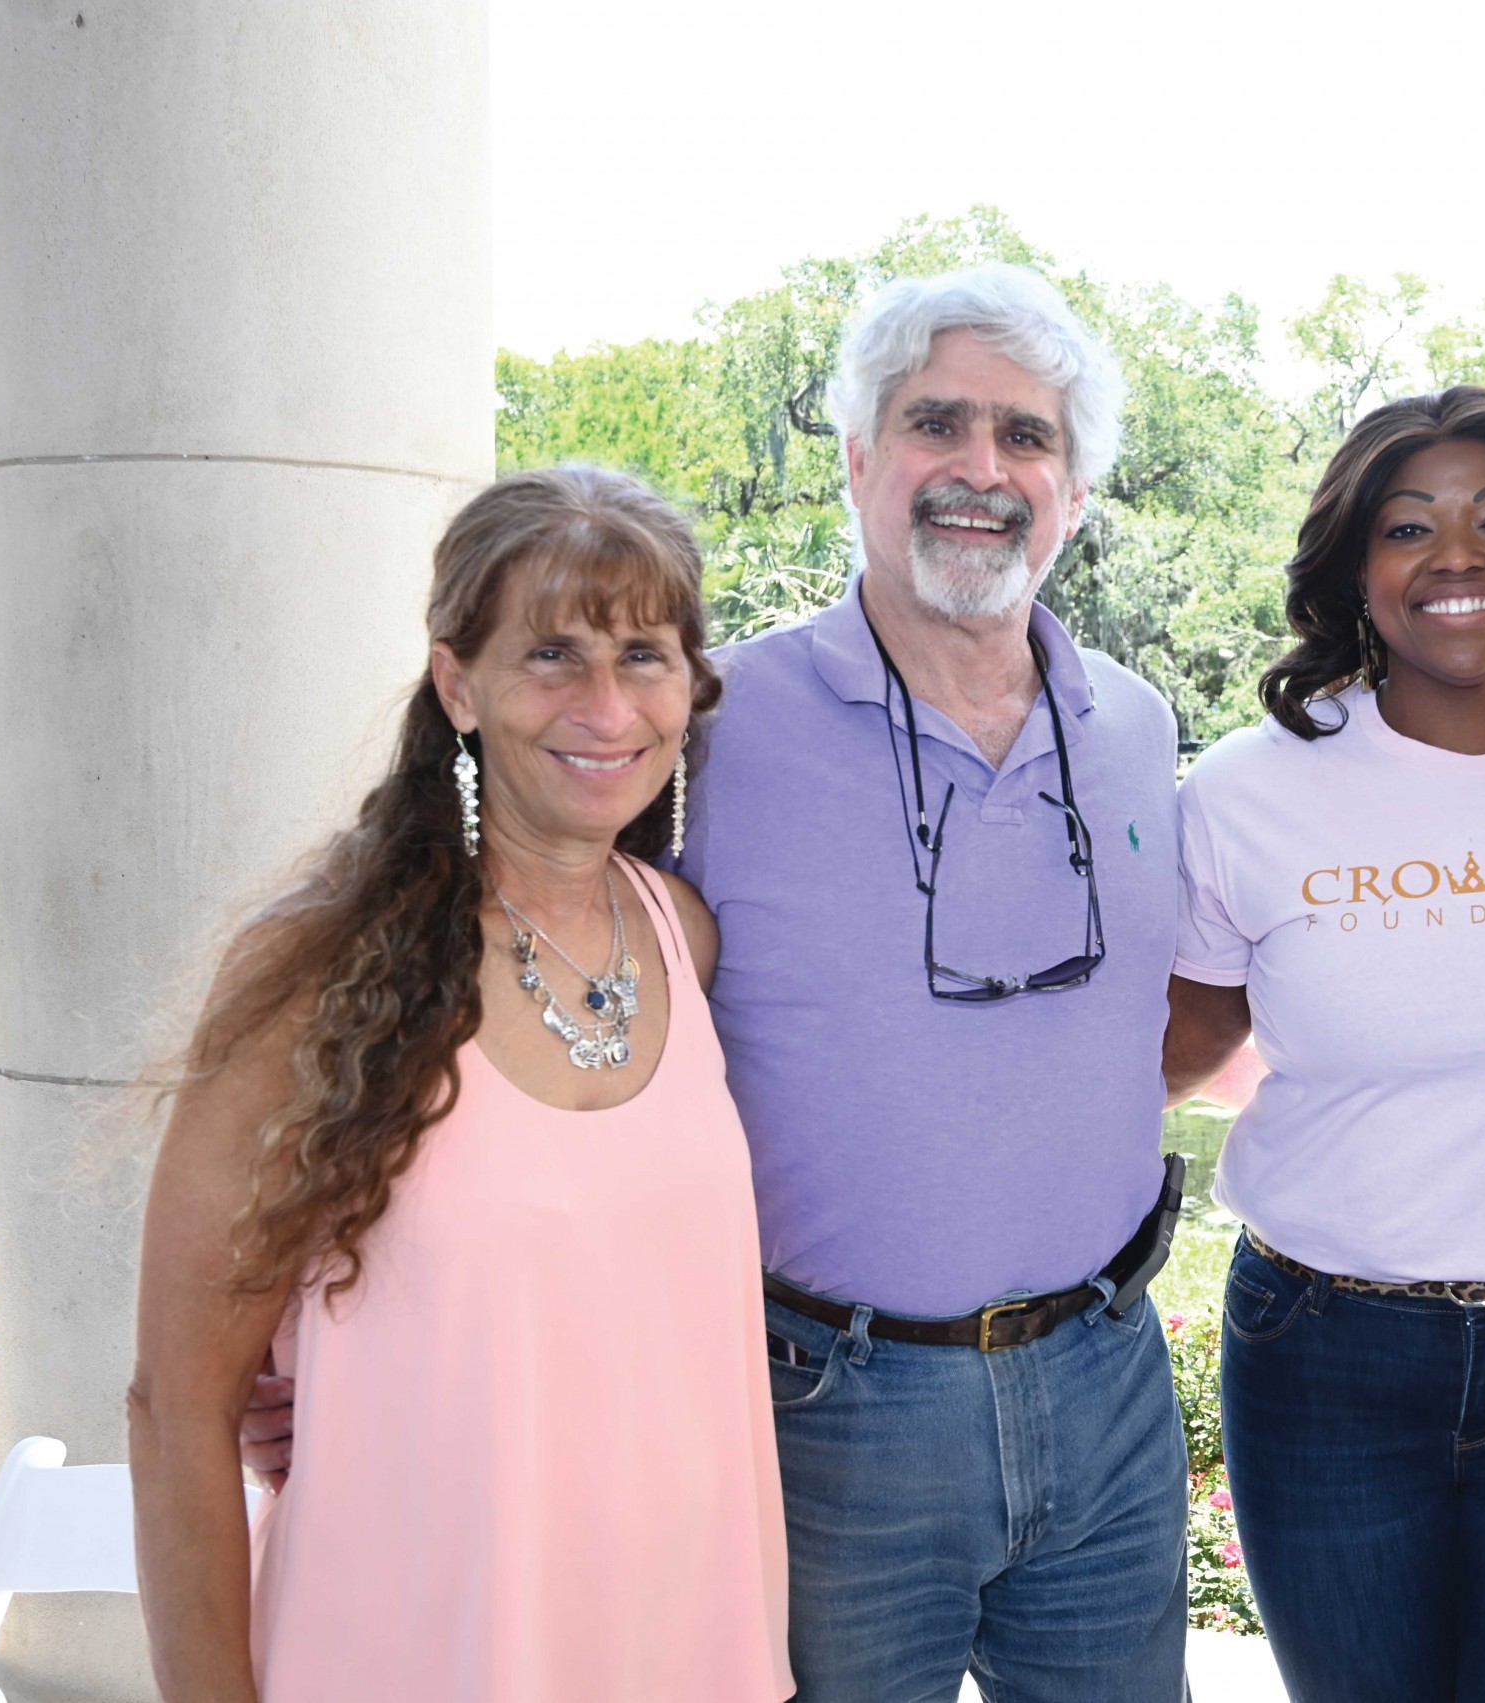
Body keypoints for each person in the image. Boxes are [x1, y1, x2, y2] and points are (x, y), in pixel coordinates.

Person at [237, 265, 1190, 1700]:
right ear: (861, 458)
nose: (983, 469)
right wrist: (307, 1317)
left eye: (1029, 436)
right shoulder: (706, 727)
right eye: (937, 422)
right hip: (832, 1405)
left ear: (1078, 484)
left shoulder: (1137, 725)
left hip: (1112, 1381)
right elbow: (512, 972)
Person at [131, 467, 791, 1702]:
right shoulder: (318, 972)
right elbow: (175, 1408)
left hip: (685, 1654)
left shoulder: (683, 939)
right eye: (552, 653)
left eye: (644, 654)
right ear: (457, 684)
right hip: (407, 1656)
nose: (606, 704)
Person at [1163, 387, 1485, 1700]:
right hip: (1325, 1354)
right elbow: (1168, 1053)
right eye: (1410, 525)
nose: (1456, 555)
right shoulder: (1244, 791)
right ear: (1358, 566)